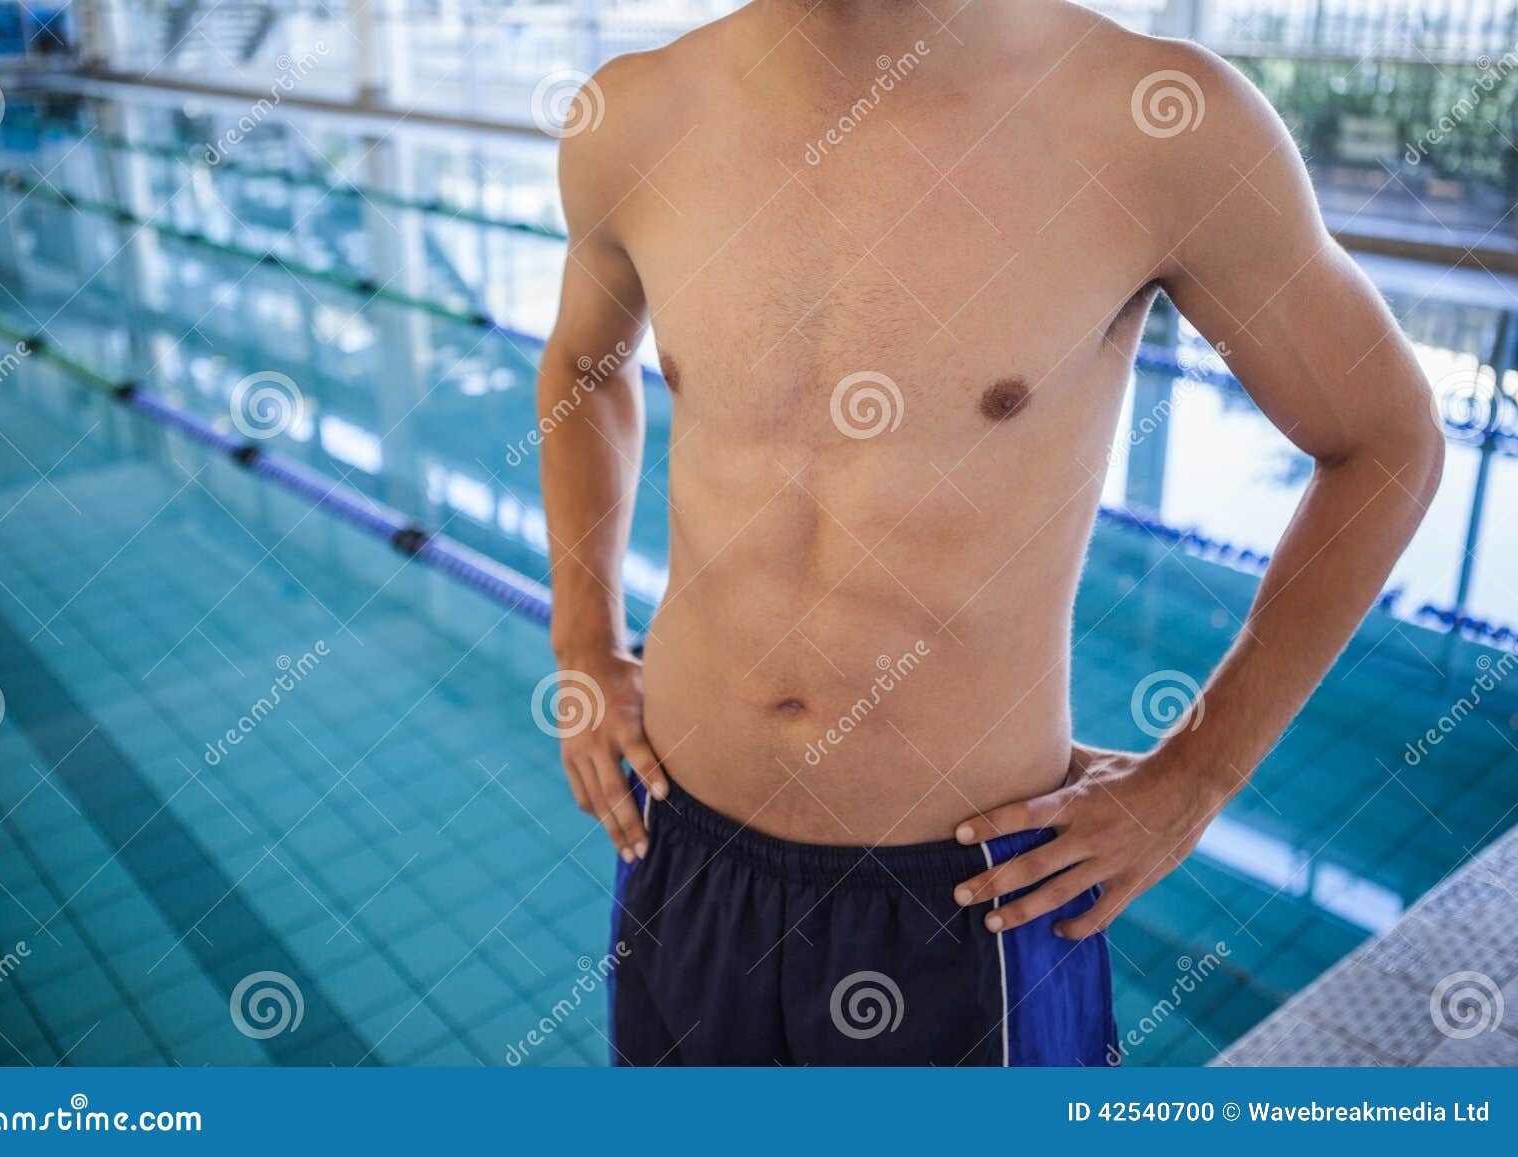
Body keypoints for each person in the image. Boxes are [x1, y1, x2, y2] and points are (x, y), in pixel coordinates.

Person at [537, 0, 1443, 1066]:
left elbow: (1385, 442)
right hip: (681, 845)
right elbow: (583, 370)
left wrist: (1196, 775)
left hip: (977, 896)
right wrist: (582, 644)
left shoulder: (1157, 124)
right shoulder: (633, 115)